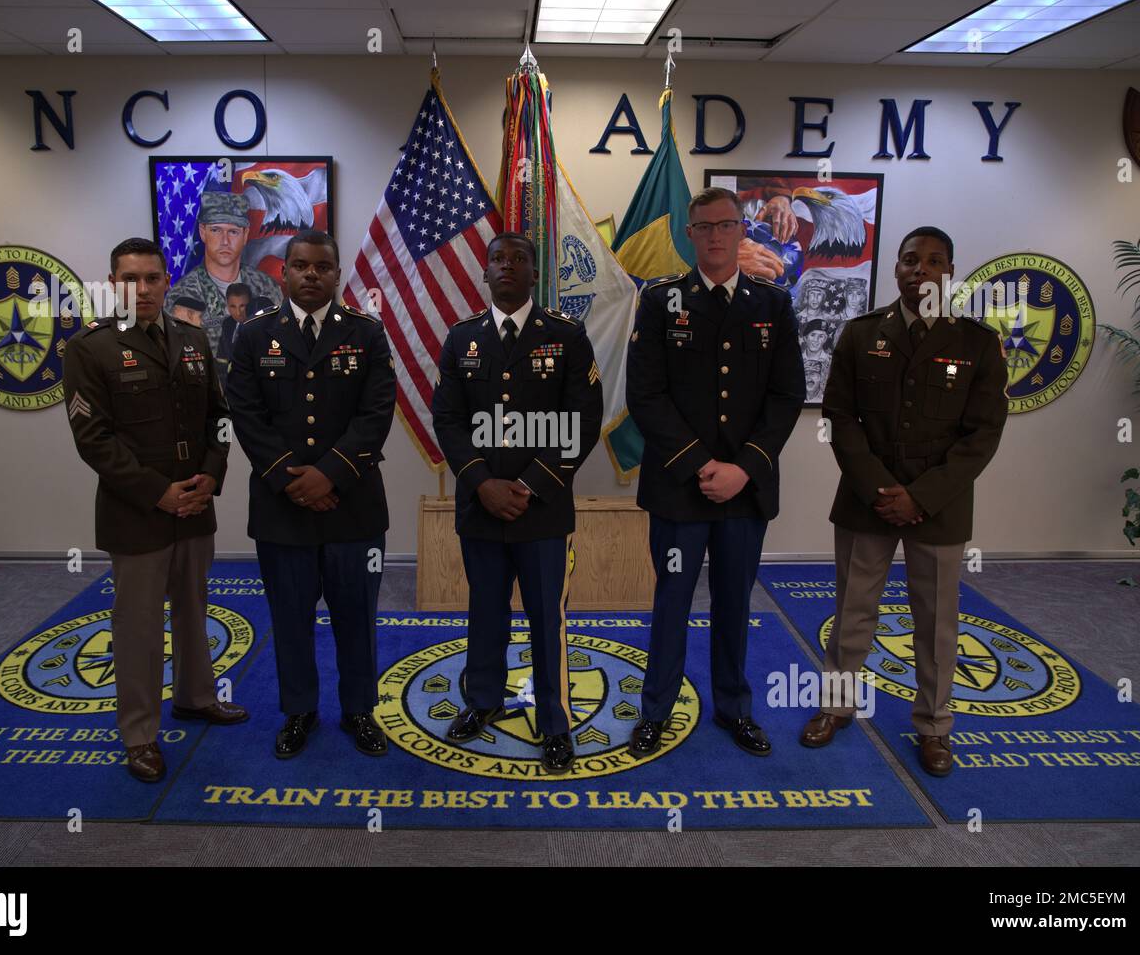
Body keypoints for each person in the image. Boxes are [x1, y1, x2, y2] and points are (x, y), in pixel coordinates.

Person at [800, 226, 1008, 778]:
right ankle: (836, 705)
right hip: (867, 500)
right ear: (896, 268)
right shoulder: (861, 333)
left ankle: (935, 726)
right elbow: (839, 418)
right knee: (853, 610)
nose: (921, 270)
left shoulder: (976, 344)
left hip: (939, 506)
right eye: (911, 260)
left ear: (950, 271)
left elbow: (983, 434)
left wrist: (920, 496)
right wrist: (880, 490)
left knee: (936, 622)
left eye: (935, 261)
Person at [625, 187, 805, 757]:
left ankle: (734, 708)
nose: (716, 235)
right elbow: (645, 395)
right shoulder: (661, 301)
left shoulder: (771, 304)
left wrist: (744, 469)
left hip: (744, 494)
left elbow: (786, 396)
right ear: (690, 235)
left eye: (726, 224)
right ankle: (656, 710)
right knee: (672, 601)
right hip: (680, 489)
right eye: (704, 227)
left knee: (734, 603)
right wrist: (701, 464)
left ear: (741, 229)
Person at [62, 237, 247, 783]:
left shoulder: (192, 339)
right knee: (139, 626)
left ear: (167, 282)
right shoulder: (90, 348)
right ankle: (140, 734)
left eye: (151, 278)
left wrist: (211, 474)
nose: (141, 289)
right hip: (137, 512)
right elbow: (94, 440)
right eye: (129, 279)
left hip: (195, 505)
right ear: (112, 283)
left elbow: (219, 416)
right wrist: (157, 492)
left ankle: (195, 697)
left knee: (193, 608)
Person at [431, 231, 603, 774]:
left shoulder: (566, 335)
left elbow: (584, 419)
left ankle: (554, 721)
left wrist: (529, 485)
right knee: (486, 610)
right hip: (480, 505)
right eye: (498, 258)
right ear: (485, 271)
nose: (507, 265)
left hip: (543, 509)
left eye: (519, 258)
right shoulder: (462, 338)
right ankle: (483, 700)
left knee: (546, 618)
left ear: (535, 272)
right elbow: (448, 420)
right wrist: (481, 482)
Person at [225, 229, 396, 758]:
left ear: (337, 274)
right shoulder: (253, 335)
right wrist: (292, 479)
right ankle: (299, 711)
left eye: (322, 267)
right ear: (284, 273)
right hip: (283, 508)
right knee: (290, 618)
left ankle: (359, 710)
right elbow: (246, 415)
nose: (311, 275)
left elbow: (376, 413)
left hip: (353, 507)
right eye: (301, 266)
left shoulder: (367, 333)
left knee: (357, 618)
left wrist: (330, 475)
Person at [165, 191, 282, 358]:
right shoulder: (182, 295)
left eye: (233, 232)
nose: (225, 241)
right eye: (216, 230)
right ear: (202, 232)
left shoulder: (267, 288)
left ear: (245, 235)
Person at [218, 282, 251, 378]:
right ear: (227, 306)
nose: (238, 313)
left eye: (242, 306)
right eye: (233, 306)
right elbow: (222, 356)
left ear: (251, 304)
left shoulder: (258, 326)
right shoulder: (227, 324)